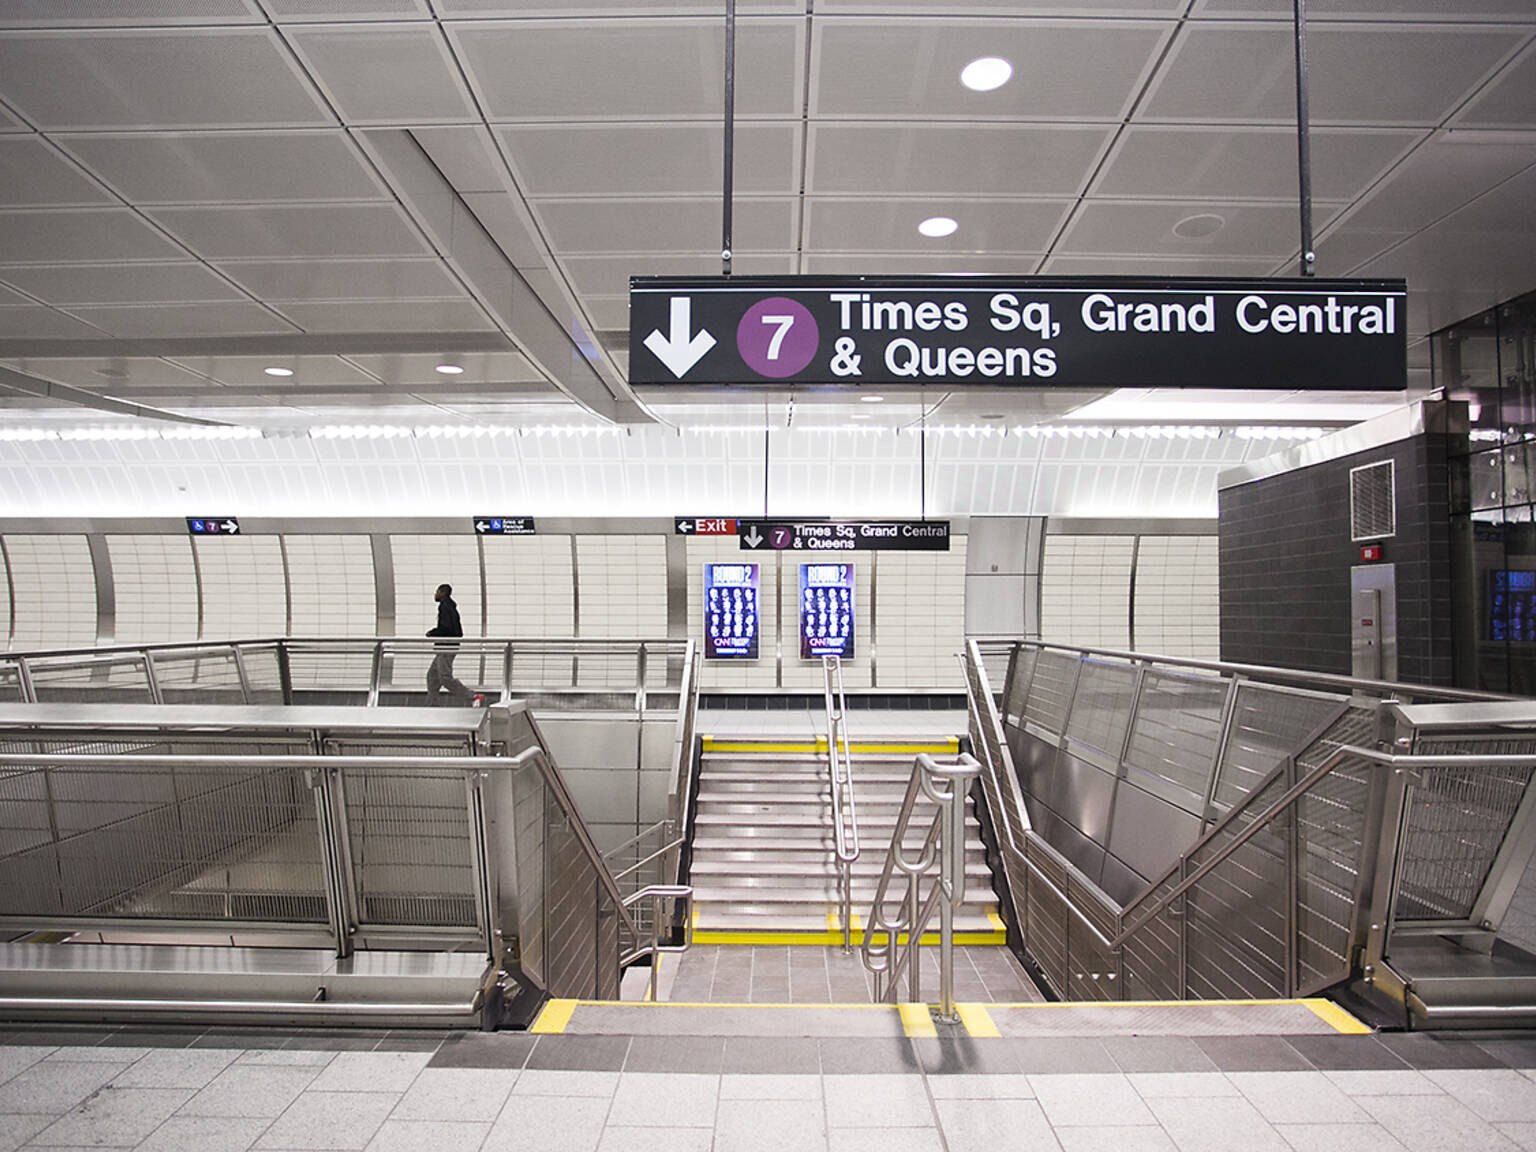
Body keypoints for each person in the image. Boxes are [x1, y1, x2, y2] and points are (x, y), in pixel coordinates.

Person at [426, 583, 480, 706]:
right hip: (447, 646)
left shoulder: (445, 607)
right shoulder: (451, 607)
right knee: (432, 676)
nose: (435, 594)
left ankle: (473, 696)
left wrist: (433, 633)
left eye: (437, 592)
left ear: (443, 593)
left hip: (446, 647)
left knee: (445, 678)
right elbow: (457, 631)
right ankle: (432, 705)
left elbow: (445, 628)